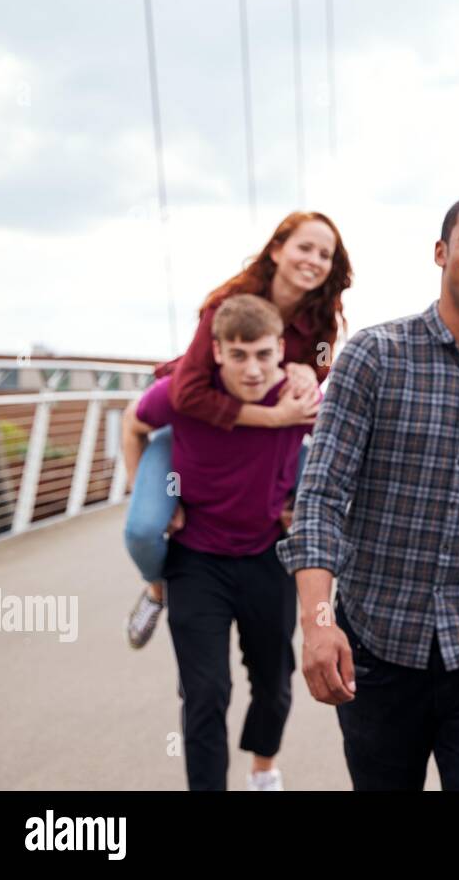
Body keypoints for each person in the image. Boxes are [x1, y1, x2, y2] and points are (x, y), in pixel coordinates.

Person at [276, 192, 459, 791]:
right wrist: (319, 622)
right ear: (441, 252)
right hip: (376, 650)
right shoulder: (374, 357)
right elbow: (322, 497)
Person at [124, 212, 352, 649]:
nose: (314, 260)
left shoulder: (321, 316)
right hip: (199, 428)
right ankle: (157, 588)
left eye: (325, 254)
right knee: (142, 528)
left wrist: (303, 370)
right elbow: (187, 396)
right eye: (305, 247)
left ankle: (333, 613)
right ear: (277, 248)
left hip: (268, 440)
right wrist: (275, 418)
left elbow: (318, 373)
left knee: (330, 501)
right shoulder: (228, 304)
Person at [122, 294, 314, 790]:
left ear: (280, 352)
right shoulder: (184, 395)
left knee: (273, 683)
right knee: (205, 693)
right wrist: (149, 492)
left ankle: (263, 768)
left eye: (264, 354)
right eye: (239, 355)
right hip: (196, 557)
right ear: (217, 352)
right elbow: (133, 423)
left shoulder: (297, 399)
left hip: (265, 554)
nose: (252, 369)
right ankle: (156, 589)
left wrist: (302, 504)